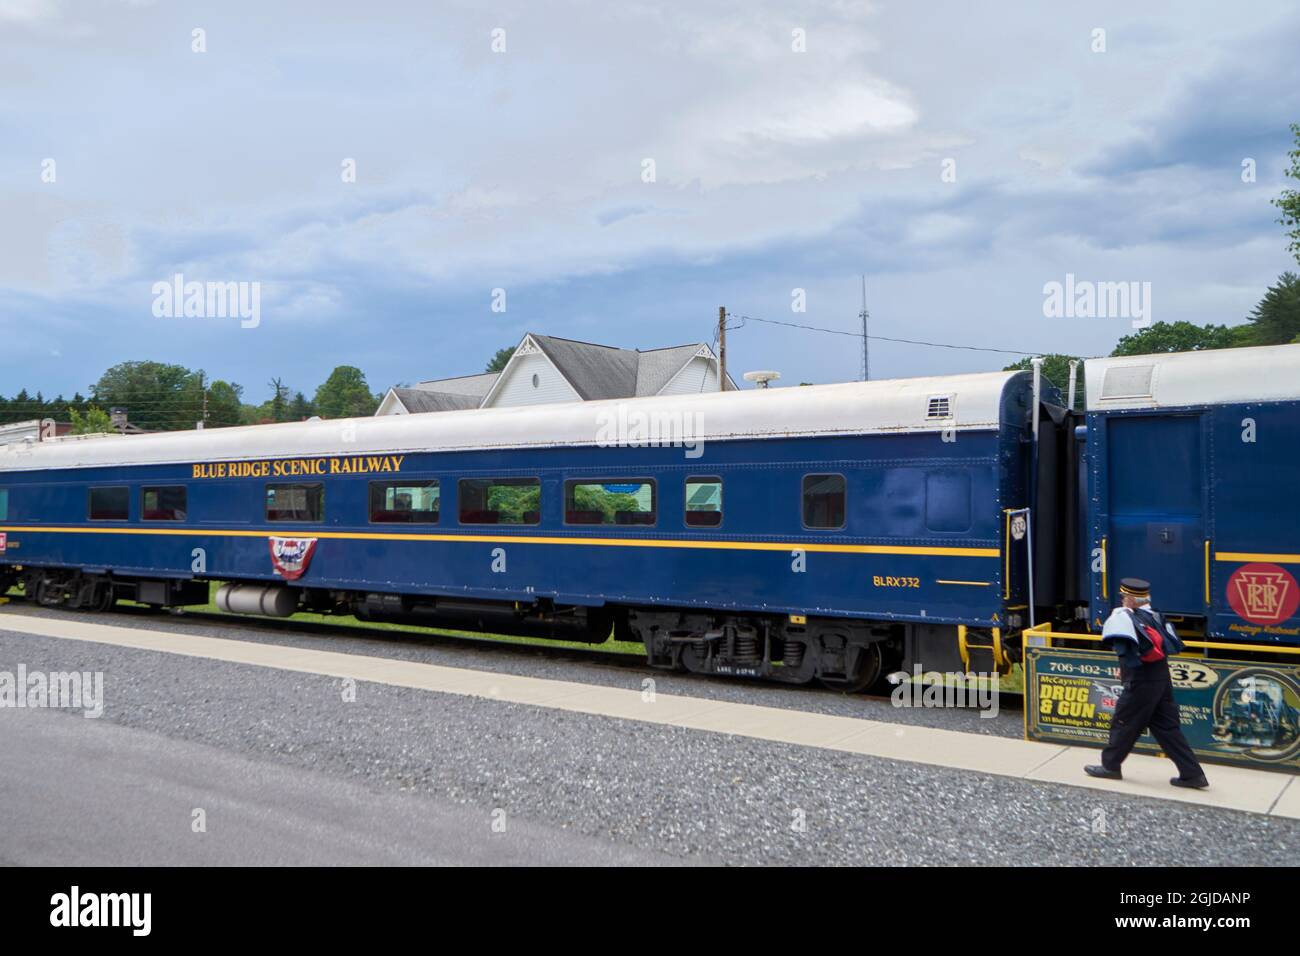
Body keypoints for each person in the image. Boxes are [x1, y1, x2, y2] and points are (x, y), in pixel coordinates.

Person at [1084, 577, 1209, 789]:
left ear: (1131, 599)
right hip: (1161, 678)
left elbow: (1125, 647)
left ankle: (1111, 766)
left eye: (1124, 597)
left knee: (1124, 722)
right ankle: (1192, 774)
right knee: (1167, 728)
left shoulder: (1127, 617)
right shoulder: (1156, 616)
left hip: (1141, 680)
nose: (1122, 601)